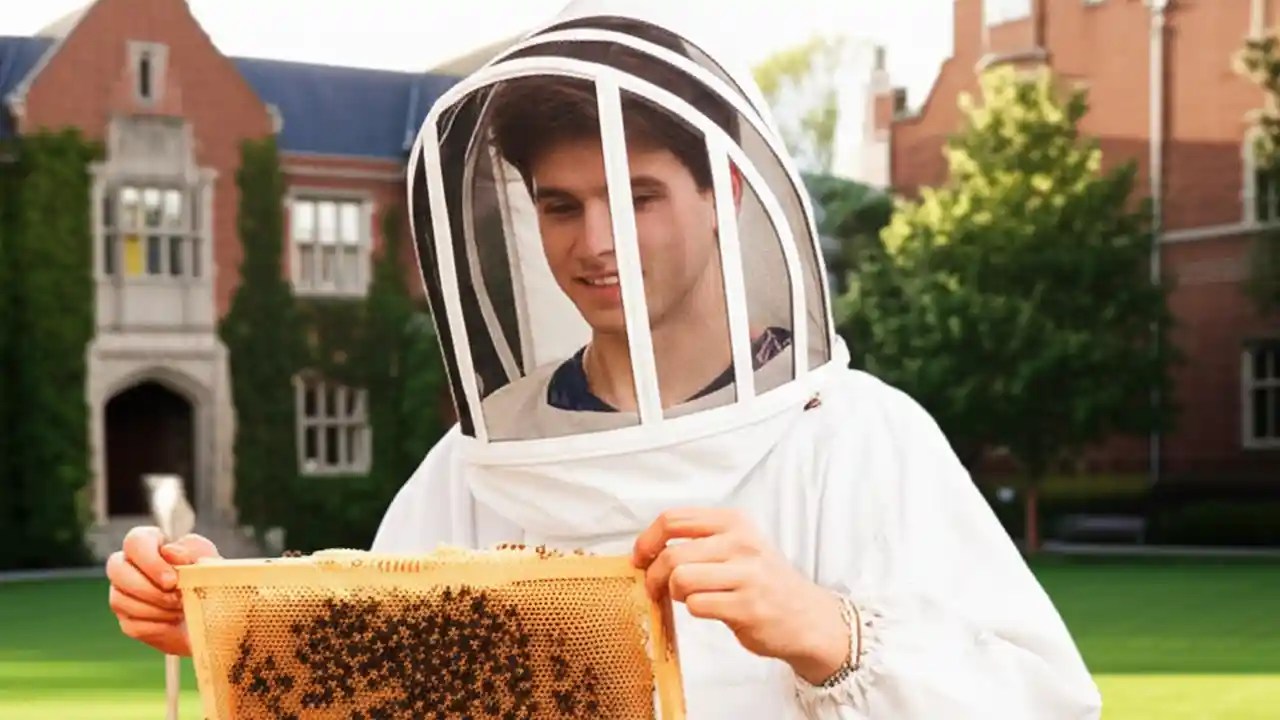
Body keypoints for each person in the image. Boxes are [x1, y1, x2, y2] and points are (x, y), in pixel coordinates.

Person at [107, 3, 1104, 718]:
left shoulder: (856, 437)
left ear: (723, 191)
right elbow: (388, 696)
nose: (599, 243)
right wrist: (236, 629)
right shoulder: (473, 466)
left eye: (637, 197)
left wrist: (827, 631)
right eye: (561, 205)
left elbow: (1046, 705)